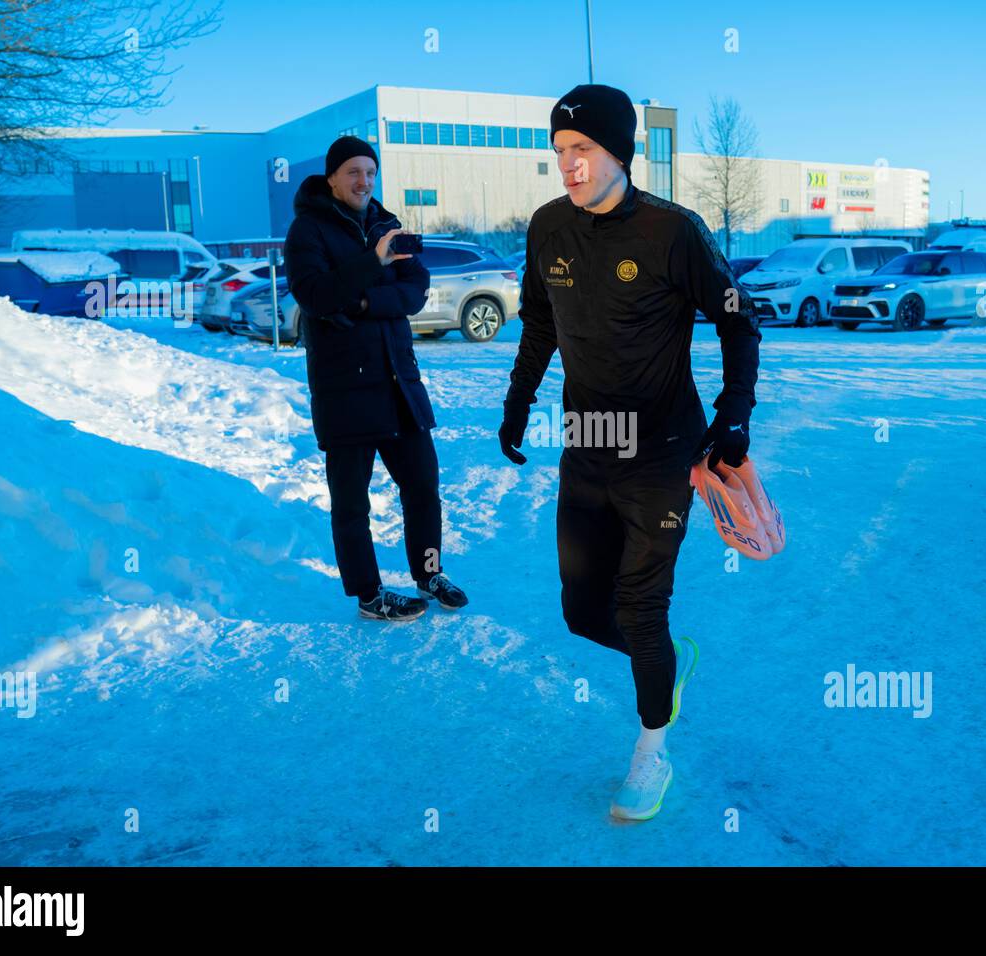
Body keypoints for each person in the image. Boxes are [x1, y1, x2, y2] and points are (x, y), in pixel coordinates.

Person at [498, 84, 762, 820]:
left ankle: (652, 754)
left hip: (660, 455)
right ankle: (668, 663)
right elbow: (540, 325)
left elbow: (740, 325)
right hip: (586, 446)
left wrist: (732, 415)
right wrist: (519, 402)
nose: (569, 167)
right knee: (582, 613)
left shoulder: (673, 232)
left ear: (620, 152)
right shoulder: (548, 227)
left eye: (582, 151)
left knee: (641, 609)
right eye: (559, 153)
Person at [285, 135, 468, 621]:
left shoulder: (387, 226)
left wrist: (364, 303)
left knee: (423, 485)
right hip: (346, 389)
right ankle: (369, 594)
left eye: (370, 171)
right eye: (353, 172)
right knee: (351, 502)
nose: (364, 180)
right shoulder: (308, 231)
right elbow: (317, 297)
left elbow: (416, 291)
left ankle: (428, 573)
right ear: (331, 179)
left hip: (397, 383)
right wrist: (374, 263)